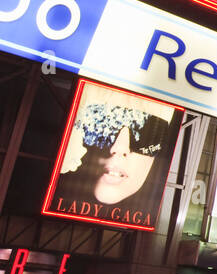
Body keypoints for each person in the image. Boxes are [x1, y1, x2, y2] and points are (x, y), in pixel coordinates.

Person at [47, 91, 177, 227]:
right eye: (122, 174)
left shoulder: (88, 100)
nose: (119, 150)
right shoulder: (167, 103)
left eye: (103, 133)